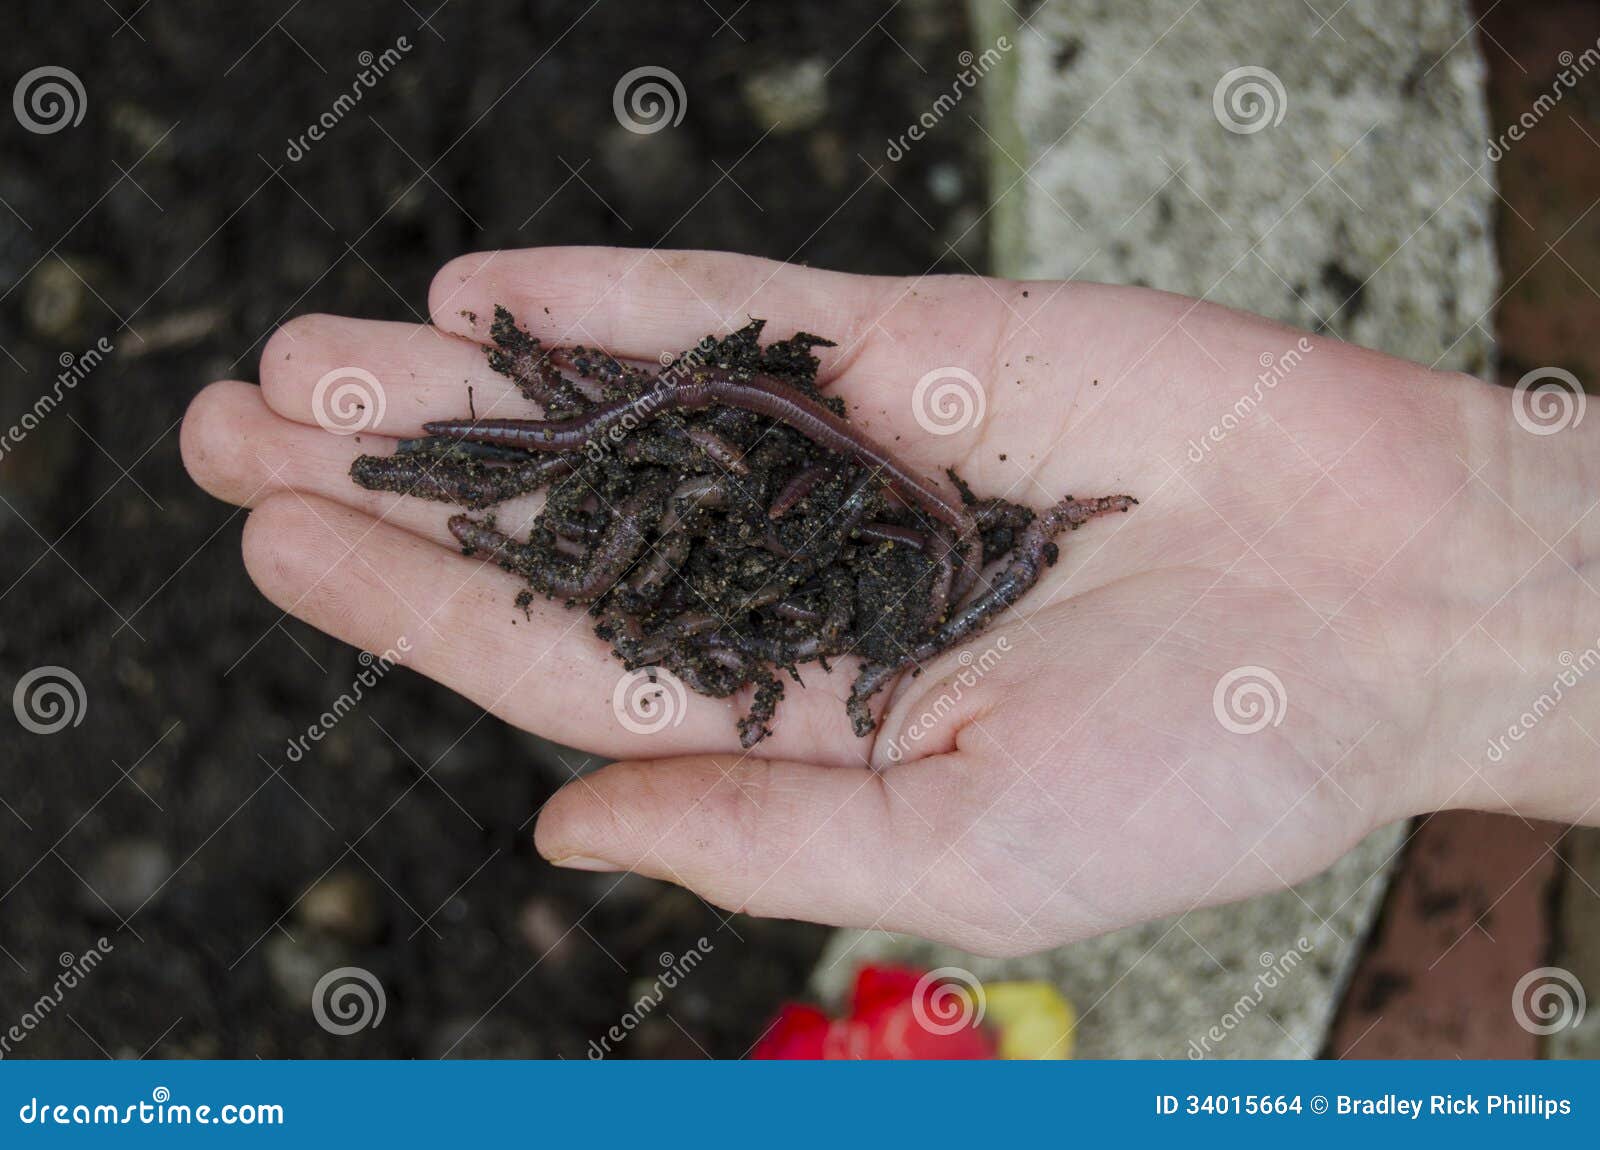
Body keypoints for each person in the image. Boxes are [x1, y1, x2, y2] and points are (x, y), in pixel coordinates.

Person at [180, 246, 1600, 958]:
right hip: (789, 508)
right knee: (543, 455)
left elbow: (723, 429)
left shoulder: (879, 540)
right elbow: (692, 440)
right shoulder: (734, 505)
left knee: (650, 439)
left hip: (853, 535)